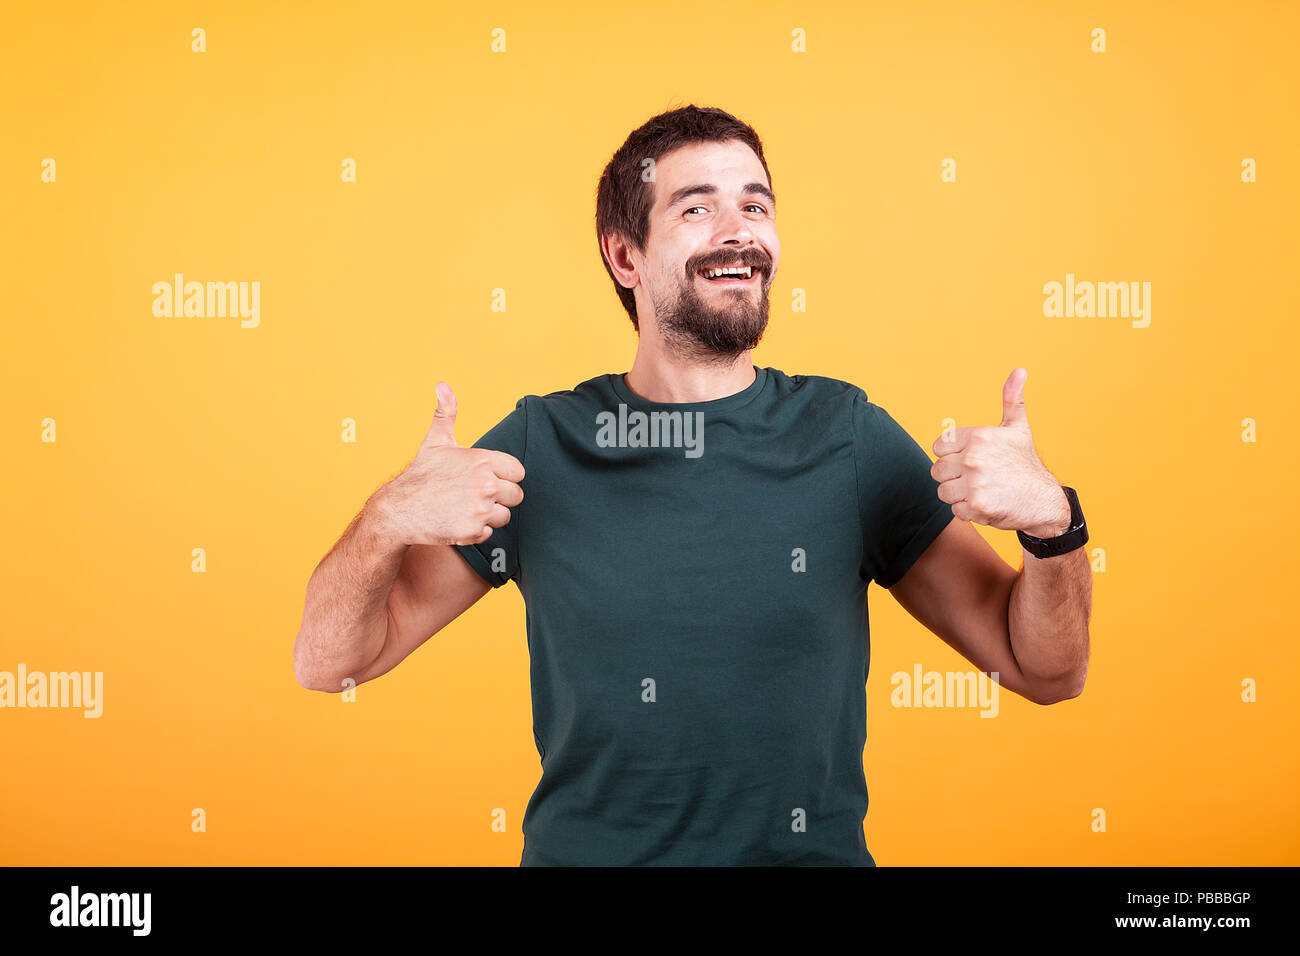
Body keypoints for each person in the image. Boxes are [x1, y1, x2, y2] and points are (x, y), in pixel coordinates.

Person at [293, 105, 1093, 866]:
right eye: (697, 209)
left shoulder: (846, 436)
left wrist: (1053, 525)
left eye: (756, 205)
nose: (740, 229)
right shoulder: (543, 445)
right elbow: (329, 664)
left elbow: (1046, 671)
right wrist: (385, 517)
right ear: (625, 256)